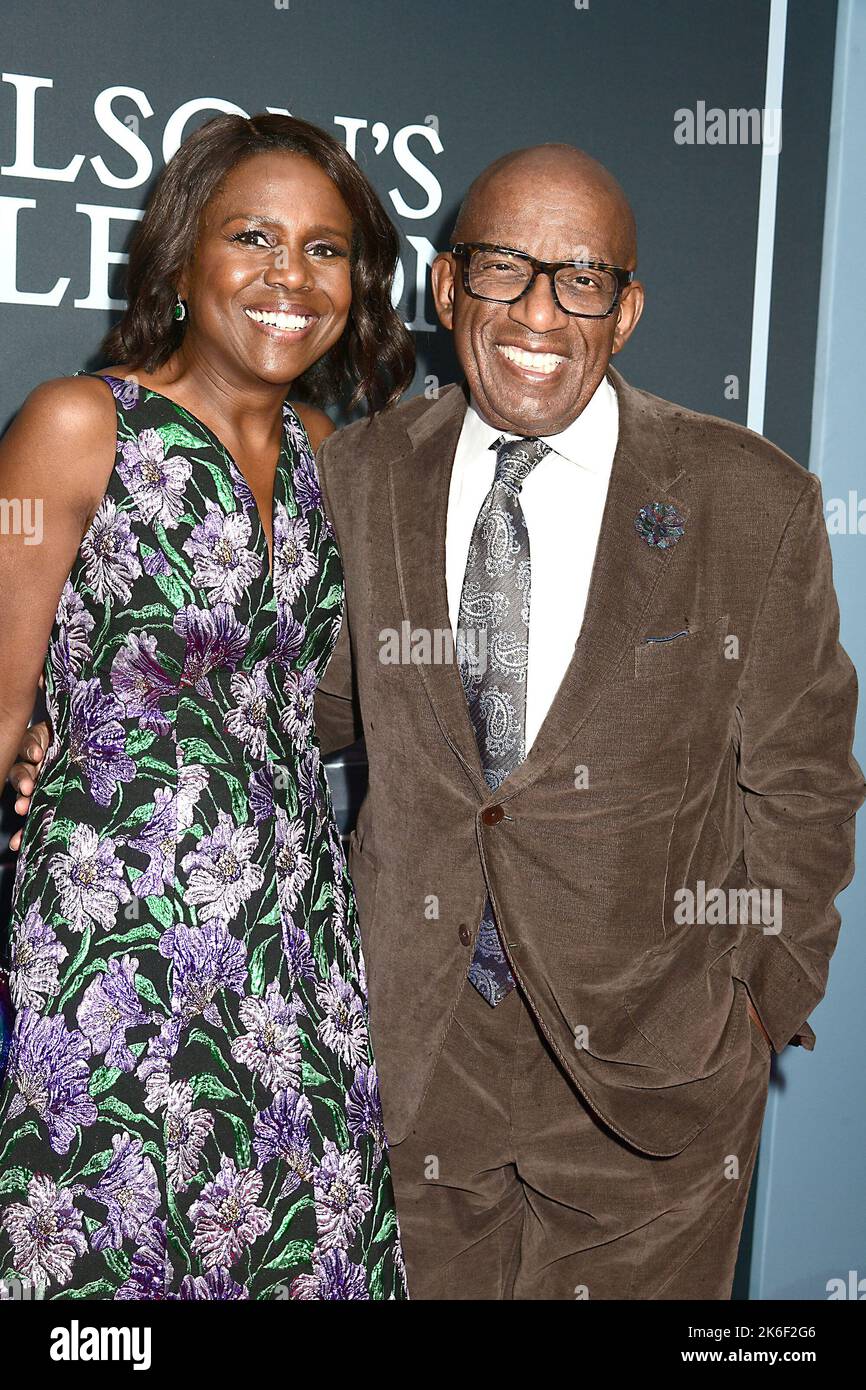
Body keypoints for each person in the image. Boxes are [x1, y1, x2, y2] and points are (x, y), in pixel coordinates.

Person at [11, 143, 865, 1302]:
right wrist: (72, 729)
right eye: (504, 269)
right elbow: (271, 689)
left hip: (651, 1092)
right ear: (446, 288)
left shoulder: (746, 496)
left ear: (625, 312)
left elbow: (805, 782)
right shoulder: (357, 471)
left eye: (581, 279)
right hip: (400, 1071)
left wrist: (759, 1003)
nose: (537, 311)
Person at [0, 112, 413, 1300]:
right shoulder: (79, 427)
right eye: (253, 237)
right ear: (183, 258)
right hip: (116, 944)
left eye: (325, 249)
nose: (291, 277)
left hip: (297, 951)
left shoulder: (329, 450)